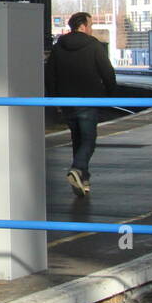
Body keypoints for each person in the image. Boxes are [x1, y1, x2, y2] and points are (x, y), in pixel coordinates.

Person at [45, 12, 116, 197]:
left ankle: (83, 180)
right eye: (90, 25)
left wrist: (55, 100)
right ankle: (77, 169)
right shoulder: (93, 46)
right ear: (83, 26)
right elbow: (107, 72)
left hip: (66, 101)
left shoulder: (58, 47)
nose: (91, 29)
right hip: (88, 101)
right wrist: (111, 94)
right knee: (88, 140)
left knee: (78, 139)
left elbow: (50, 75)